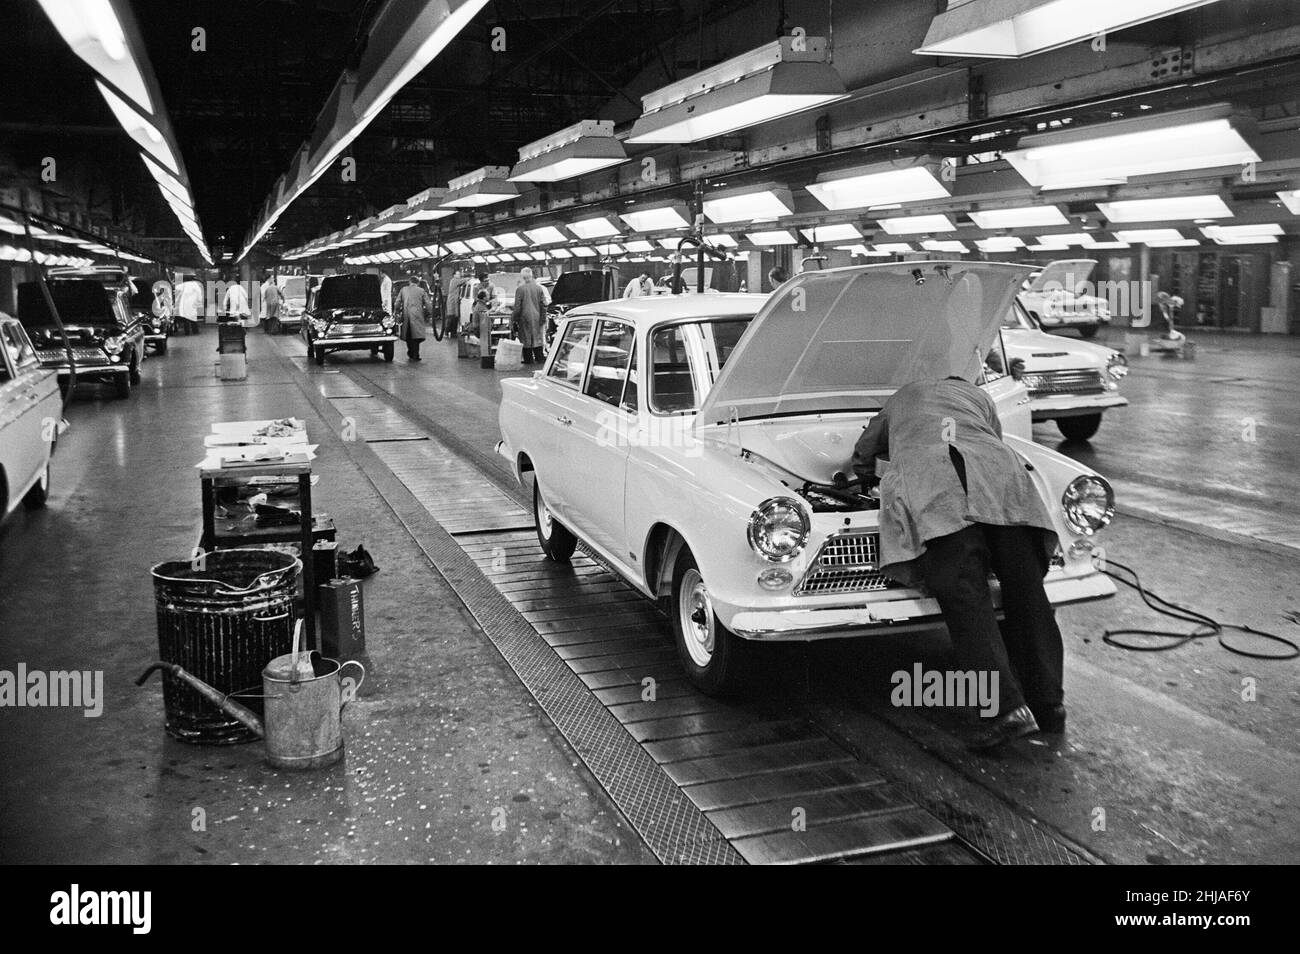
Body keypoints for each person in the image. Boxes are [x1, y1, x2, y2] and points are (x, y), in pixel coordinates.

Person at [852, 375, 1065, 751]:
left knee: (966, 596)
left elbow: (867, 446)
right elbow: (992, 436)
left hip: (940, 485)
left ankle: (1004, 710)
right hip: (1001, 479)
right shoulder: (975, 394)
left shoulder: (902, 395)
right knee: (1027, 591)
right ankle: (1049, 705)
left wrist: (864, 474)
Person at [511, 267, 547, 365]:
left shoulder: (520, 289)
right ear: (531, 276)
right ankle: (539, 358)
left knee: (526, 339)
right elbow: (544, 305)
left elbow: (517, 307)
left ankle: (529, 360)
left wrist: (514, 319)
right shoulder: (539, 288)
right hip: (537, 317)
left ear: (522, 277)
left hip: (524, 318)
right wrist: (542, 318)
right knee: (537, 338)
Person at [395, 277, 430, 361]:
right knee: (416, 336)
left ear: (409, 282)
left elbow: (397, 302)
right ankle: (415, 354)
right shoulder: (421, 291)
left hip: (406, 315)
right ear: (417, 283)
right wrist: (429, 313)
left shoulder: (403, 290)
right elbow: (428, 304)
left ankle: (410, 352)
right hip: (417, 315)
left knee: (408, 335)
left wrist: (397, 311)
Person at [444, 268, 467, 338]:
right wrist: (469, 278)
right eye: (458, 274)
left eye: (459, 274)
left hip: (455, 301)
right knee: (451, 317)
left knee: (455, 318)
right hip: (452, 301)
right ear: (454, 275)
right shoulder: (454, 281)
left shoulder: (457, 281)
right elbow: (462, 281)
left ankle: (453, 332)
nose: (459, 275)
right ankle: (447, 331)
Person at [472, 288, 491, 369]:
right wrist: (493, 310)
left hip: (479, 327)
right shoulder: (480, 306)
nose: (489, 296)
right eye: (487, 295)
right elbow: (485, 317)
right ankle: (488, 355)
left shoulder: (481, 304)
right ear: (484, 298)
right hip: (479, 329)